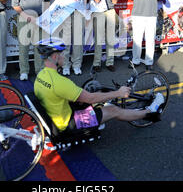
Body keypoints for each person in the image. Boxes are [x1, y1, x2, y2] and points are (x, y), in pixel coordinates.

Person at [33, 38, 165, 134]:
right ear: (55, 57)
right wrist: (118, 93)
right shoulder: (60, 82)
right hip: (69, 124)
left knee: (94, 95)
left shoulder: (41, 75)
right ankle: (151, 112)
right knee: (113, 110)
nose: (64, 56)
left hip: (57, 115)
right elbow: (90, 98)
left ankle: (99, 117)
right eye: (62, 54)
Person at [12, 0, 48, 80]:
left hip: (39, 18)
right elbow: (15, 5)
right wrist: (25, 15)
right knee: (24, 46)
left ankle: (40, 69)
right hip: (24, 17)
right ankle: (24, 71)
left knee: (39, 46)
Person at [130, 0, 164, 69]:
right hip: (138, 14)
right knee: (137, 40)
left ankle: (149, 62)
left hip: (151, 14)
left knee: (150, 40)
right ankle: (136, 61)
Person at [91, 0, 121, 72]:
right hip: (98, 12)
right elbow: (96, 0)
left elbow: (115, 1)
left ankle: (110, 62)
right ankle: (97, 63)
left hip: (110, 11)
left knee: (110, 38)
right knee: (98, 39)